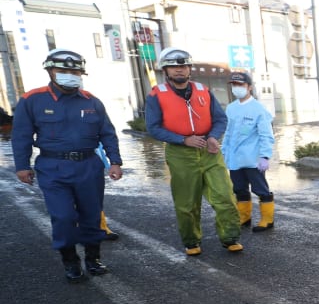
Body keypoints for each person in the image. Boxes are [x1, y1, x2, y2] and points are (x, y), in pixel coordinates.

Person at [11, 49, 123, 282]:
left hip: (88, 166)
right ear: (50, 71)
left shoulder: (92, 101)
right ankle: (70, 261)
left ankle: (93, 259)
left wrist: (115, 161)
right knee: (63, 216)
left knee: (91, 215)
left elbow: (107, 134)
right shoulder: (32, 100)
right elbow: (21, 136)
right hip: (53, 167)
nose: (70, 75)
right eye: (63, 70)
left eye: (75, 72)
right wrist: (22, 166)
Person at [145, 47, 243, 255]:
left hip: (209, 151)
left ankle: (230, 237)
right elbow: (153, 128)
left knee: (224, 196)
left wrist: (214, 137)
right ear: (166, 70)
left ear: (189, 68)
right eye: (173, 67)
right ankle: (191, 241)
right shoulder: (156, 95)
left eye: (183, 66)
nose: (179, 70)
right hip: (180, 154)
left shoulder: (203, 90)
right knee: (187, 203)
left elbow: (220, 119)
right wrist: (183, 140)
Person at [221, 71, 276, 233]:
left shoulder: (259, 109)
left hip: (253, 159)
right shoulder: (231, 108)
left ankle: (267, 220)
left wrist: (264, 156)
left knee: (260, 189)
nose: (237, 88)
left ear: (249, 87)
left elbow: (266, 135)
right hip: (235, 159)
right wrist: (224, 152)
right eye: (234, 85)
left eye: (241, 85)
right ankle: (244, 218)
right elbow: (228, 133)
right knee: (239, 189)